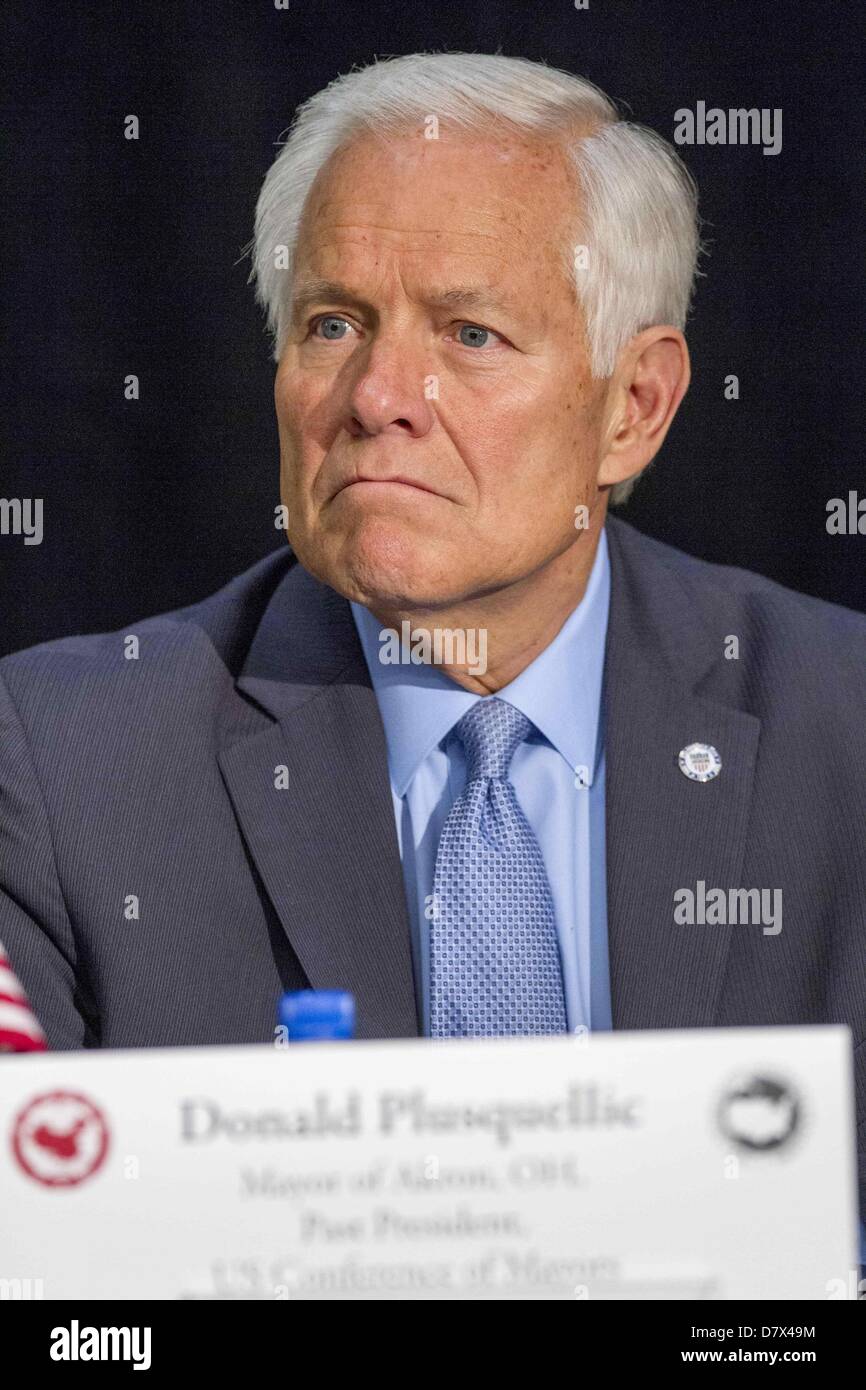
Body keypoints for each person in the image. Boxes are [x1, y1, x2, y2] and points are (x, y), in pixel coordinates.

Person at [1, 54, 864, 1230]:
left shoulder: (842, 726)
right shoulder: (67, 761)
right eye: (333, 323)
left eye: (468, 333)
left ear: (633, 408)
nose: (375, 394)